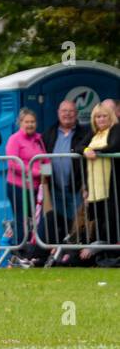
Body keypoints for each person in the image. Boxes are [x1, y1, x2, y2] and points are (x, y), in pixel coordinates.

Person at [40, 99, 90, 247]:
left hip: (77, 189)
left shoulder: (85, 133)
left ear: (76, 114)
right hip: (55, 189)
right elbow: (42, 157)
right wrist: (44, 183)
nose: (67, 114)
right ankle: (56, 254)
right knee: (55, 223)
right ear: (58, 113)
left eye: (71, 111)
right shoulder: (49, 133)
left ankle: (74, 253)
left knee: (76, 224)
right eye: (64, 111)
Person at [5, 108, 47, 249]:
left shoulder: (39, 138)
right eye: (27, 122)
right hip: (18, 186)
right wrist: (37, 172)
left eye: (33, 122)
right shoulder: (14, 139)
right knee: (21, 219)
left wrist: (47, 174)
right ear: (20, 123)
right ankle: (20, 249)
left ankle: (34, 249)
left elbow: (45, 159)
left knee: (37, 219)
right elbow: (13, 163)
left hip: (37, 187)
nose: (30, 125)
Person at [78, 102, 120, 244]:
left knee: (112, 219)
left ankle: (113, 253)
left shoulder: (116, 129)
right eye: (98, 117)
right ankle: (102, 254)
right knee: (99, 219)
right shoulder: (94, 132)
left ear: (110, 117)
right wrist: (85, 151)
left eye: (104, 116)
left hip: (113, 184)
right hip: (95, 186)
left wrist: (95, 152)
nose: (101, 119)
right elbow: (79, 146)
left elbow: (114, 146)